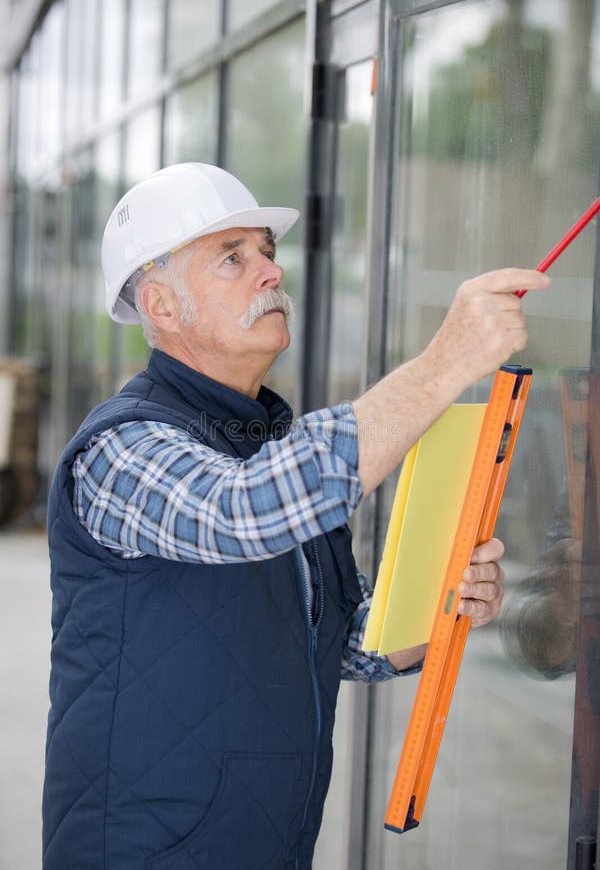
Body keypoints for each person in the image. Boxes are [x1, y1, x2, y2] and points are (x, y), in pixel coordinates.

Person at [42, 162, 550, 870]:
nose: (270, 273)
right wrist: (446, 363)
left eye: (267, 252)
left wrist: (440, 607)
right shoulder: (121, 449)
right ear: (160, 306)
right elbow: (242, 512)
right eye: (232, 257)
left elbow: (340, 642)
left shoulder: (265, 448)